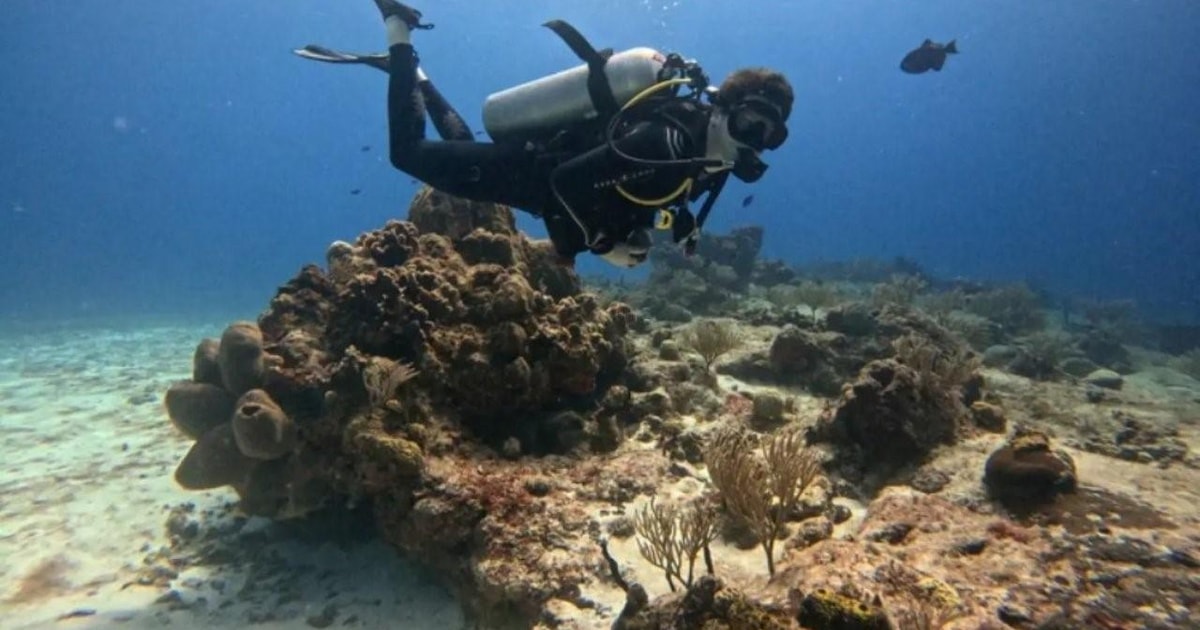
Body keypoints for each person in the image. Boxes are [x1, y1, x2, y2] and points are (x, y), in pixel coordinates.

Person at [298, 0, 794, 268]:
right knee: (407, 155)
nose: (755, 141)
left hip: (537, 175)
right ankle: (397, 33)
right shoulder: (664, 142)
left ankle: (418, 81)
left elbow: (656, 194)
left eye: (770, 135)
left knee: (465, 148)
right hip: (534, 174)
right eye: (751, 123)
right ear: (723, 108)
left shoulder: (712, 159)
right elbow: (568, 186)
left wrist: (677, 225)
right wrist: (605, 247)